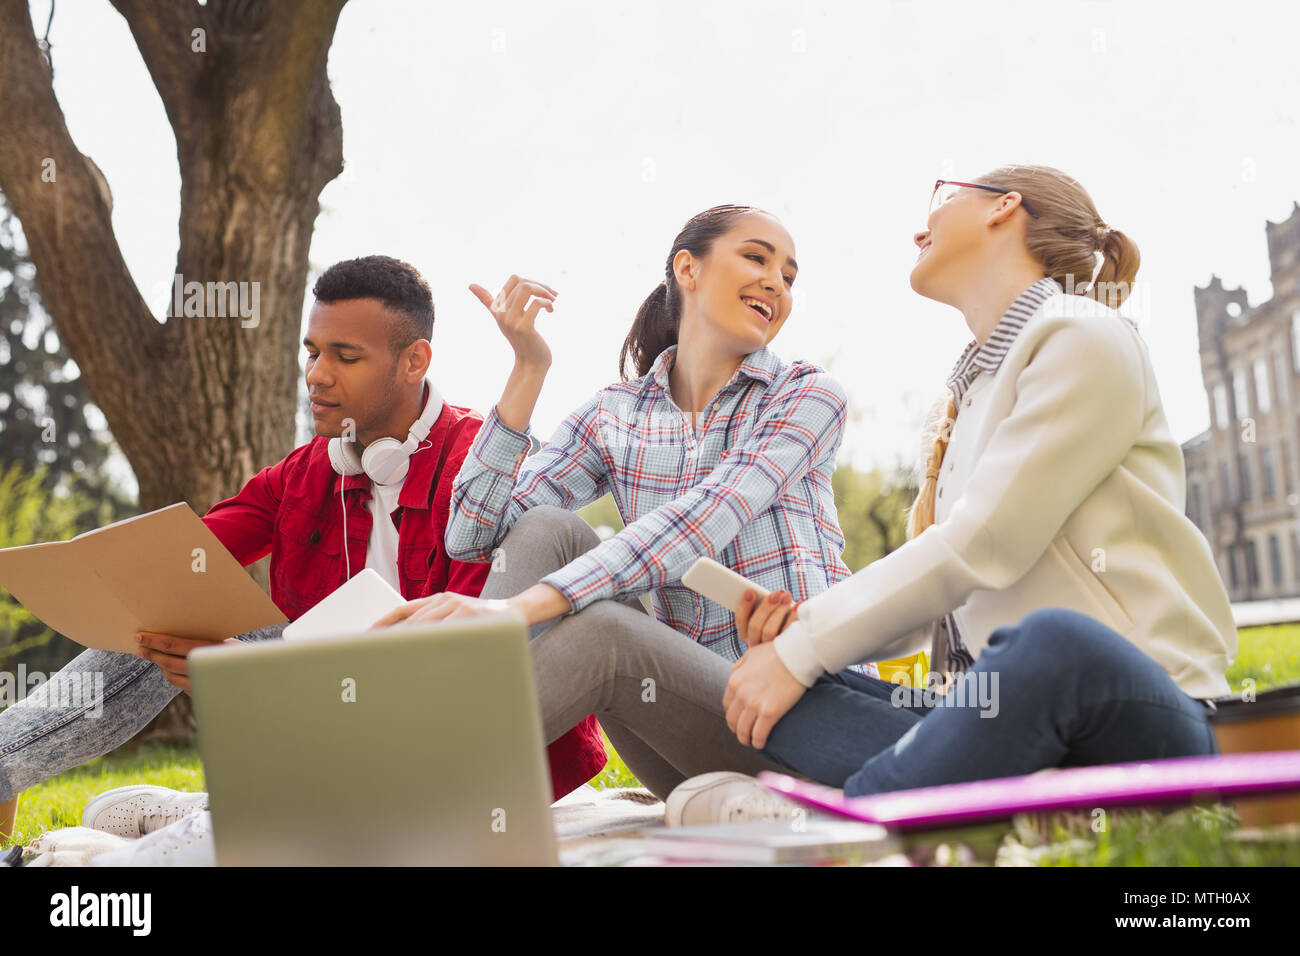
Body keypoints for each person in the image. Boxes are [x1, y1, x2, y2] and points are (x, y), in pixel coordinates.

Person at [686, 164, 1234, 821]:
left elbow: (984, 544)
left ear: (1005, 206)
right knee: (779, 688)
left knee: (1053, 643)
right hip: (990, 723)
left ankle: (847, 821)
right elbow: (934, 607)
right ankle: (932, 797)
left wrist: (805, 646)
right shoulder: (961, 398)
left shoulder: (1086, 335)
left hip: (1128, 716)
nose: (922, 225)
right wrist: (799, 629)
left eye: (941, 199)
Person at [0, 256, 605, 843]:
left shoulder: (489, 465)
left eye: (345, 356)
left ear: (415, 360)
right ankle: (7, 765)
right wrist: (101, 582)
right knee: (166, 609)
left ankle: (222, 810)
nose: (317, 374)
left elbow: (464, 664)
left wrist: (253, 676)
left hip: (456, 736)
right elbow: (184, 557)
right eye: (313, 353)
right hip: (337, 717)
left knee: (259, 662)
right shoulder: (305, 473)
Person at [379, 204, 893, 803]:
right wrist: (527, 370)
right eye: (756, 257)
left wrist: (517, 610)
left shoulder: (805, 395)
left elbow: (702, 520)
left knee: (607, 633)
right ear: (688, 269)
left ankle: (395, 784)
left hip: (807, 732)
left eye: (789, 275)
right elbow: (470, 536)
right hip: (688, 741)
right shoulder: (616, 414)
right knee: (549, 526)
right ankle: (420, 754)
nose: (776, 282)